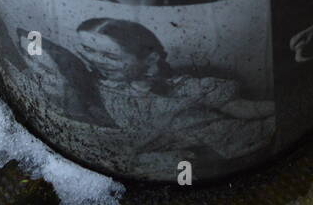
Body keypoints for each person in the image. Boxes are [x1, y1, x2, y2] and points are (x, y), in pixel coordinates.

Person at [74, 18, 274, 168]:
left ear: (150, 59)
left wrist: (284, 106)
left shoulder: (183, 87)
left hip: (223, 140)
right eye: (87, 49)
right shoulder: (92, 86)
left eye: (110, 56)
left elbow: (245, 108)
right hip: (166, 159)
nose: (97, 60)